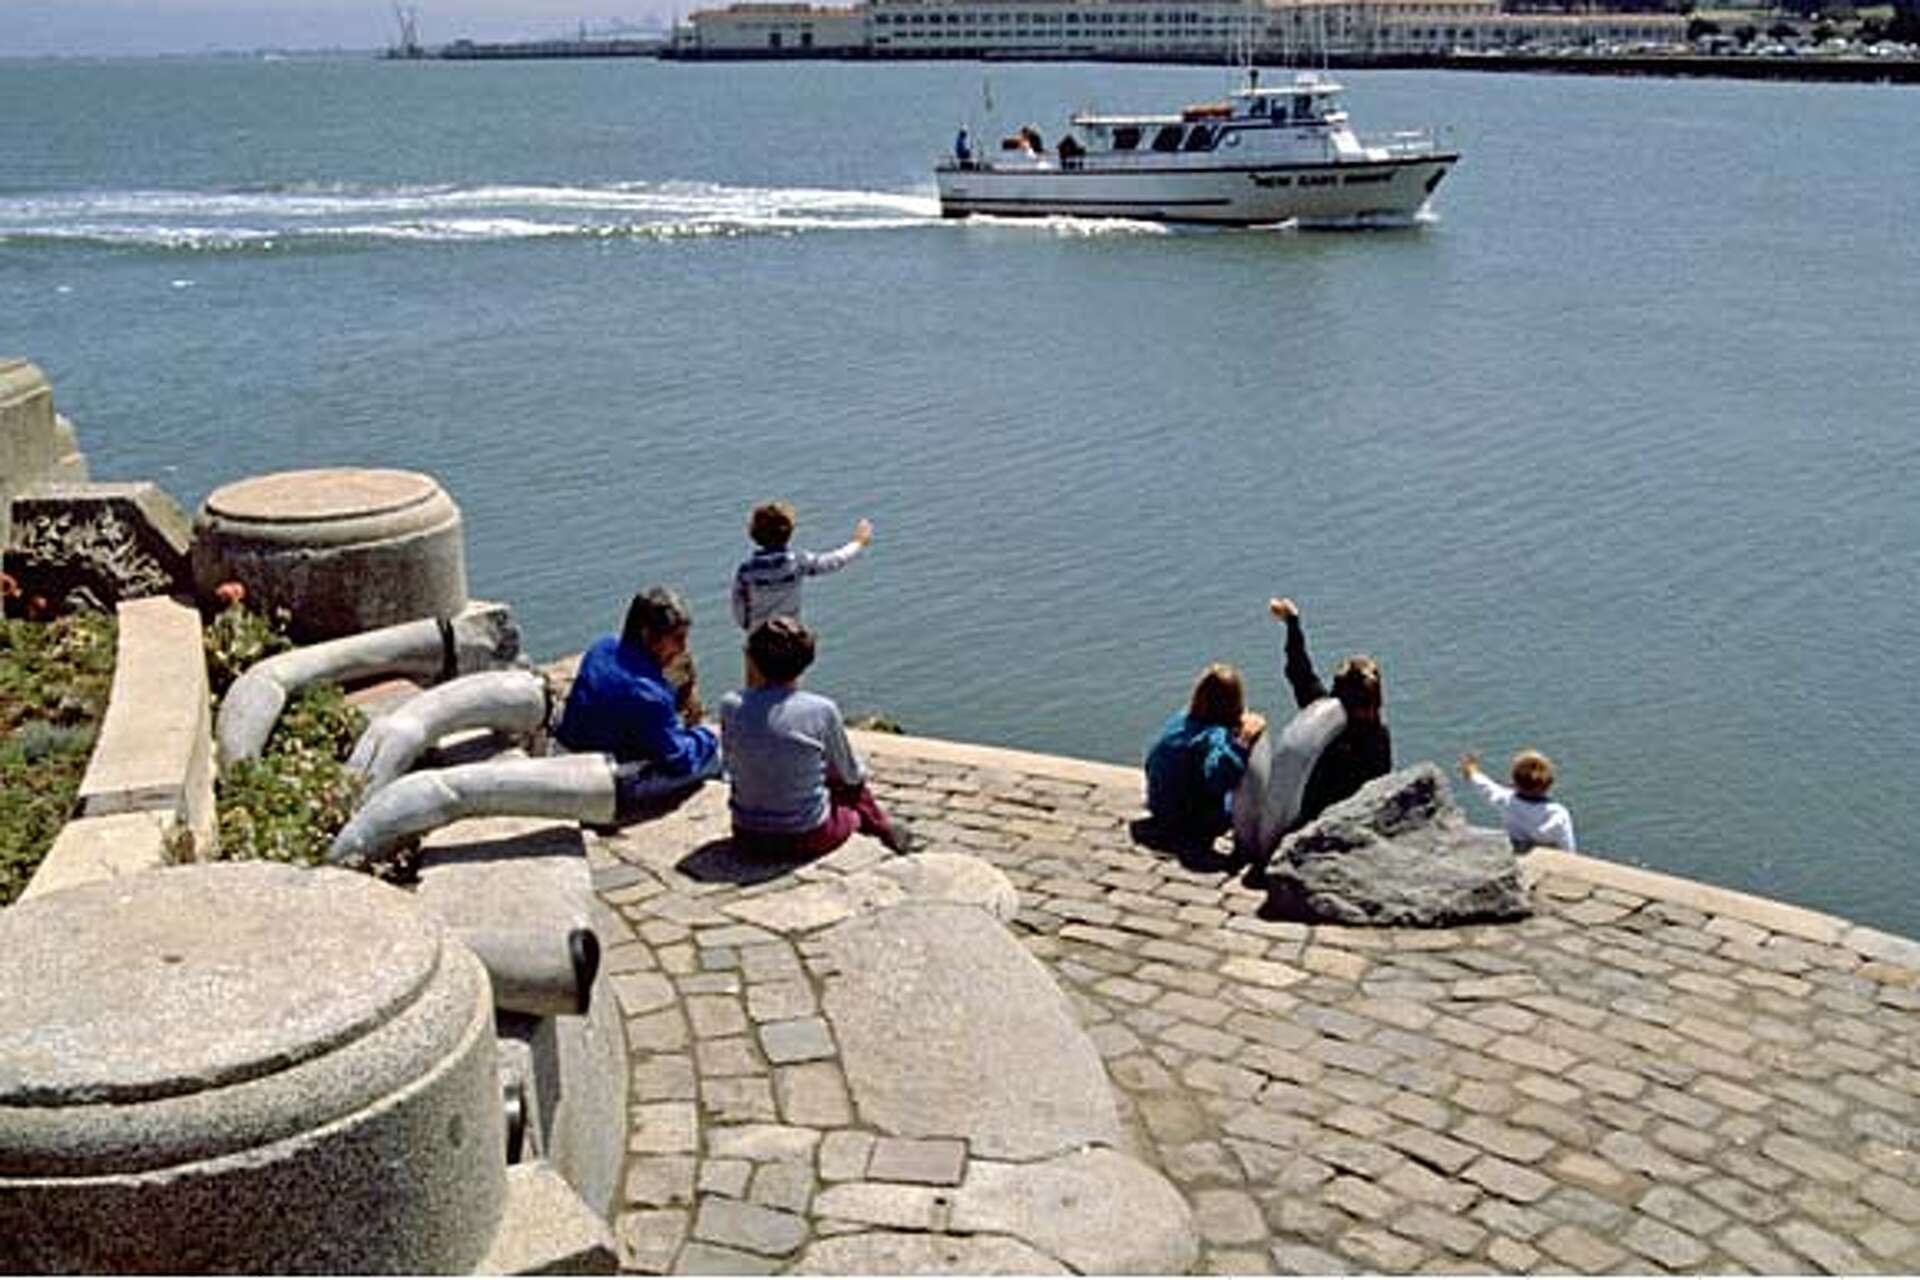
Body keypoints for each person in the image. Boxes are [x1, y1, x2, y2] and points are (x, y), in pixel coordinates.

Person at [718, 617, 909, 857]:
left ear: (752, 659)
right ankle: (882, 826)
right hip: (807, 836)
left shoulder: (730, 705)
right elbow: (850, 774)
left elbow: (729, 763)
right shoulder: (821, 709)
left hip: (747, 833)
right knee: (850, 795)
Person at [555, 587, 722, 817]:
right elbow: (680, 761)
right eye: (677, 639)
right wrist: (708, 737)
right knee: (720, 755)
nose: (683, 648)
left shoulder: (601, 646)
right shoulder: (647, 693)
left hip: (570, 754)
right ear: (647, 634)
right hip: (609, 784)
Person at [1268, 597, 1392, 824]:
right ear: (1378, 698)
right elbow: (1380, 787)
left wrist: (1292, 624)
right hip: (1357, 821)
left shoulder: (1324, 719)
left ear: (1338, 694)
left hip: (1312, 820)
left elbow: (1300, 672)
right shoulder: (1378, 735)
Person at [1144, 663, 1267, 851]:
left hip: (1158, 806)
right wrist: (1244, 740)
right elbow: (1221, 779)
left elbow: (1150, 761)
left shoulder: (1179, 722)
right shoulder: (1213, 736)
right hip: (1190, 820)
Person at [731, 500, 872, 632]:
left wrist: (748, 625)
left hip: (759, 638)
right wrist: (858, 542)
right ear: (790, 531)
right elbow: (834, 561)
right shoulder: (798, 562)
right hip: (791, 636)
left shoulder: (746, 571)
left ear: (753, 534)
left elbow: (738, 607)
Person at [1459, 749, 1576, 851]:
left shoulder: (1506, 800)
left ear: (1514, 782)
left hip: (1517, 850)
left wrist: (1471, 770)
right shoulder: (1559, 813)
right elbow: (1568, 848)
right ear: (1550, 783)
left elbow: (1485, 787)